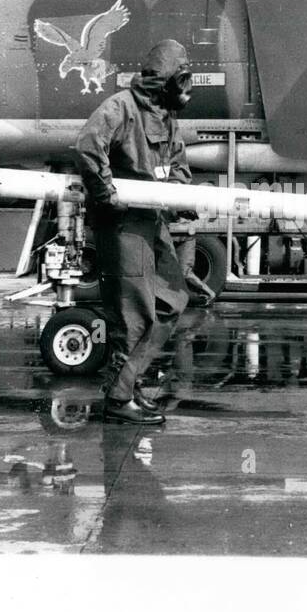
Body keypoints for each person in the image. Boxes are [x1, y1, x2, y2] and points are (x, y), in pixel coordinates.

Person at [75, 39, 194, 425]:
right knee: (133, 314)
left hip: (153, 220)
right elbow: (88, 146)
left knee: (172, 299)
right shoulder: (121, 107)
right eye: (183, 79)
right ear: (165, 80)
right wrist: (106, 193)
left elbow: (177, 164)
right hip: (123, 223)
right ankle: (118, 398)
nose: (188, 89)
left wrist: (179, 193)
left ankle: (125, 384)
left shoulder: (167, 118)